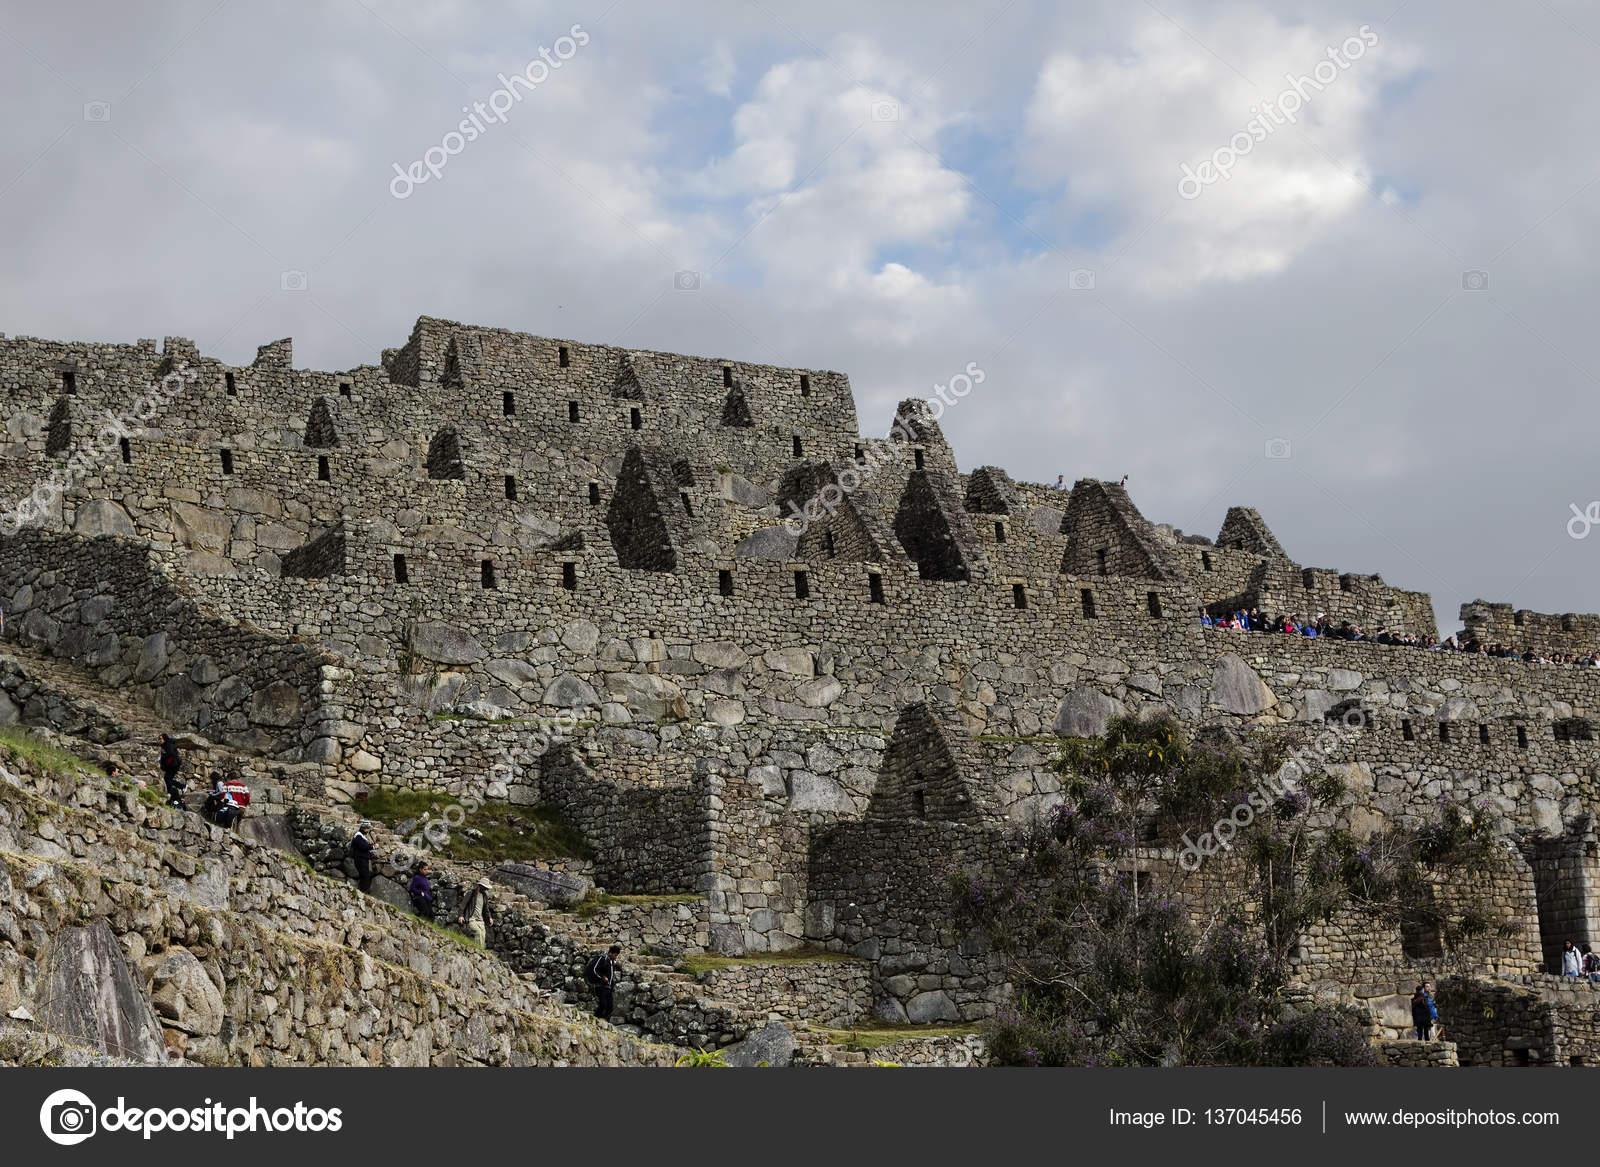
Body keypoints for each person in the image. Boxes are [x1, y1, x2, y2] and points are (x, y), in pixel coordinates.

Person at [585, 944, 622, 1020]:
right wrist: (602, 977)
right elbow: (594, 970)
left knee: (610, 1007)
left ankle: (603, 1021)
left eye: (616, 956)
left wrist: (612, 986)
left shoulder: (611, 962)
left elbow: (611, 976)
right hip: (600, 986)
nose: (615, 957)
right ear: (610, 953)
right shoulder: (602, 958)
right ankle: (595, 1019)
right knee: (603, 1004)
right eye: (615, 955)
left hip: (608, 987)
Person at [457, 876, 494, 945]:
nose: (486, 889)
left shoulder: (484, 896)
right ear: (480, 885)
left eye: (486, 888)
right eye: (485, 887)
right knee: (478, 932)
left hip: (480, 920)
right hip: (471, 918)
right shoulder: (471, 893)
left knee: (483, 934)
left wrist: (489, 917)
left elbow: (486, 909)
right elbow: (463, 905)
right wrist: (461, 915)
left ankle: (480, 951)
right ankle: (479, 950)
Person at [157, 734, 185, 809]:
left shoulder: (169, 744)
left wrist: (163, 758)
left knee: (167, 778)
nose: (159, 740)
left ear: (165, 739)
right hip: (171, 765)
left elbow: (170, 753)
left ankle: (172, 792)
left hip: (174, 765)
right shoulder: (164, 745)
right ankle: (181, 786)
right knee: (167, 779)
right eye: (159, 739)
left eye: (160, 739)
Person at [350, 820, 376, 893]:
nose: (368, 831)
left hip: (362, 859)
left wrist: (370, 854)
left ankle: (361, 892)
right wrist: (373, 847)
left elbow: (363, 848)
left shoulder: (361, 836)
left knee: (364, 875)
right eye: (367, 829)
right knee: (365, 876)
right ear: (364, 828)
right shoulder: (358, 835)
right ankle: (363, 892)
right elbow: (362, 846)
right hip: (360, 859)